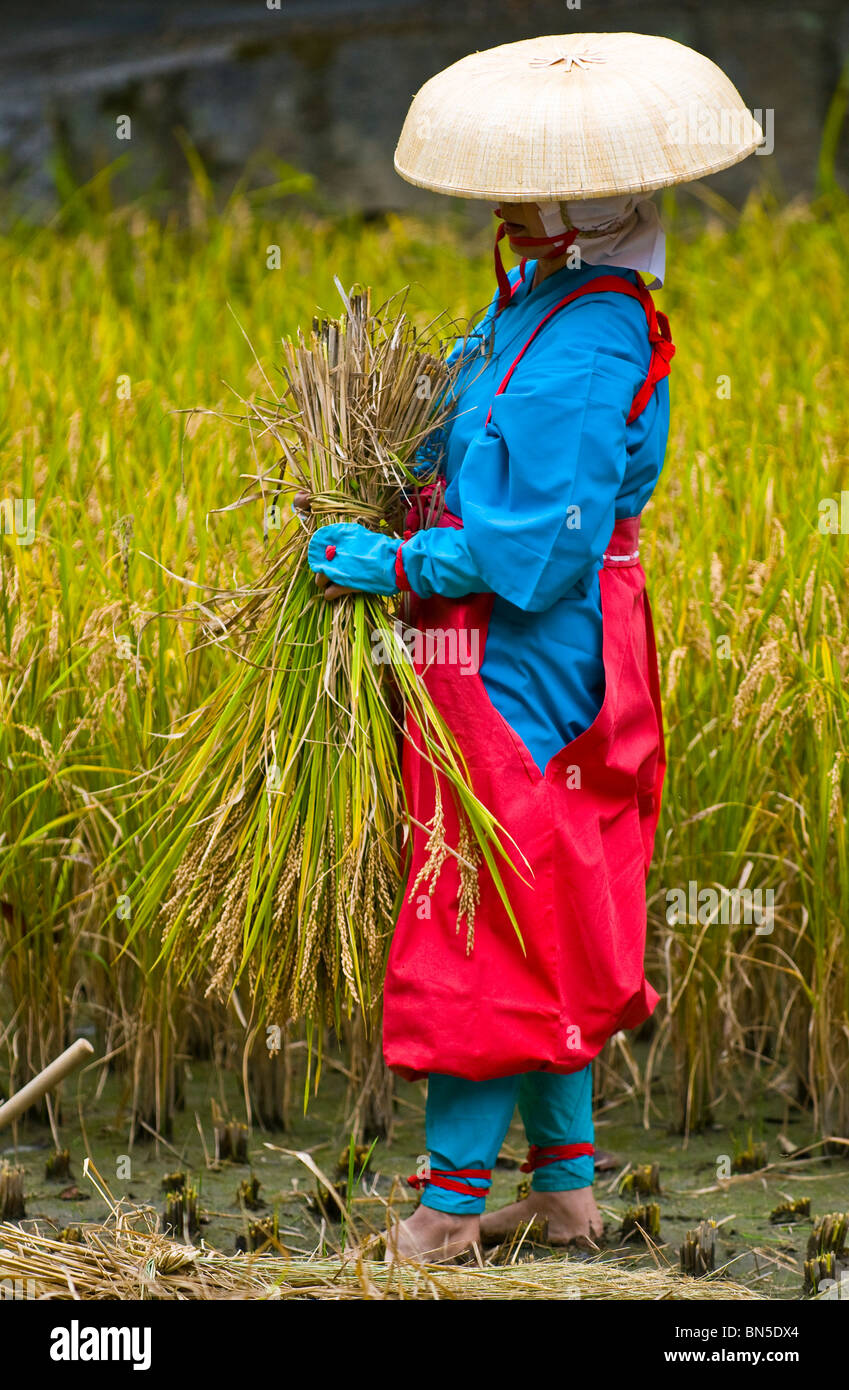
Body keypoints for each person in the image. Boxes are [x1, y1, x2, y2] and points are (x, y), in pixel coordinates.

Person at [307, 33, 762, 1261]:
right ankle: (565, 1194)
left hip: (531, 652)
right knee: (541, 893)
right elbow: (476, 452)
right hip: (491, 648)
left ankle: (449, 1212)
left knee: (482, 905)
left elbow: (539, 555)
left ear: (589, 204)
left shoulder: (592, 339)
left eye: (531, 191)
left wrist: (395, 565)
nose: (507, 206)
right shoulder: (538, 305)